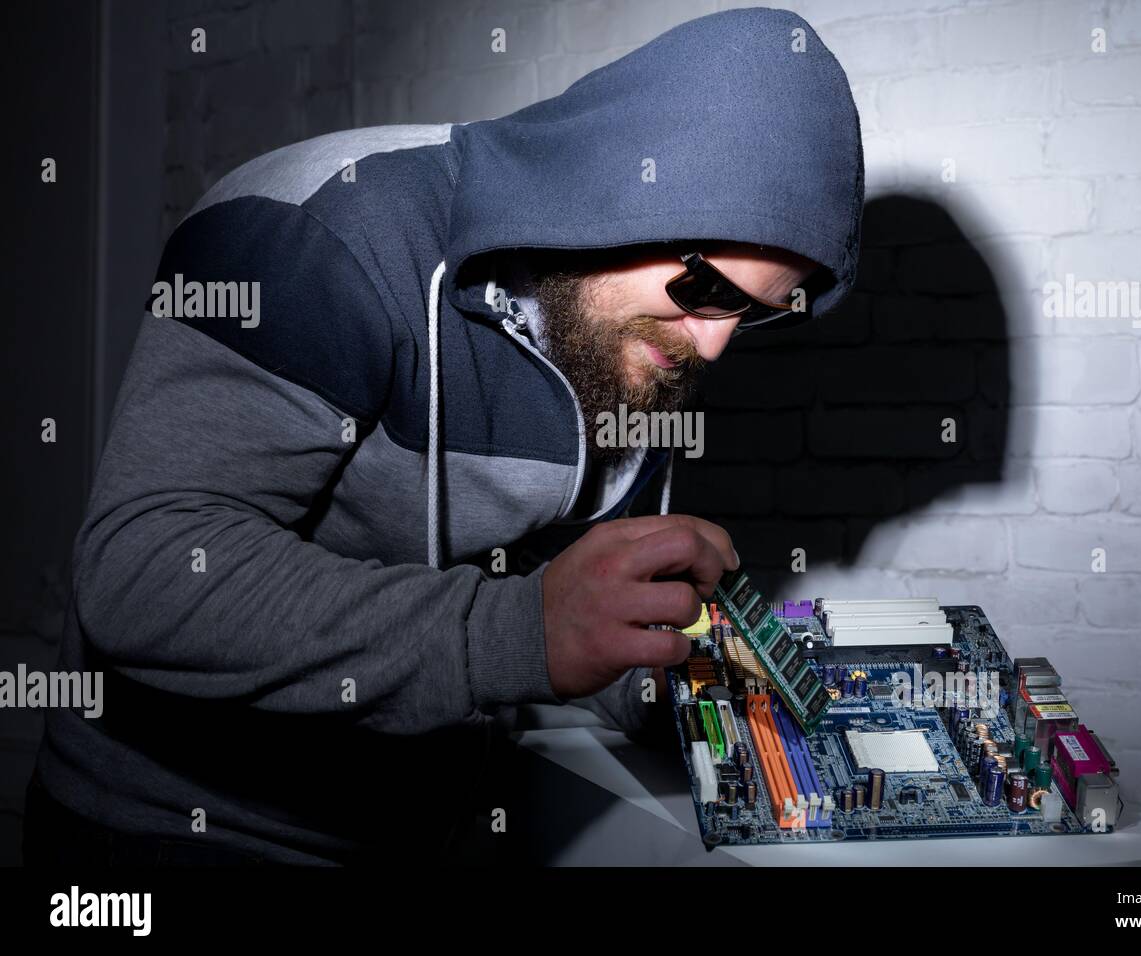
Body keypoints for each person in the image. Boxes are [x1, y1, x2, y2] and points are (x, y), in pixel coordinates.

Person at [25, 7, 863, 864]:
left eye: (755, 314)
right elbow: (143, 575)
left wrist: (662, 668)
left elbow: (558, 604)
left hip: (423, 830)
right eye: (705, 285)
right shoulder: (314, 232)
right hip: (171, 830)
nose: (715, 342)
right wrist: (513, 633)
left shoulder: (639, 335)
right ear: (616, 185)